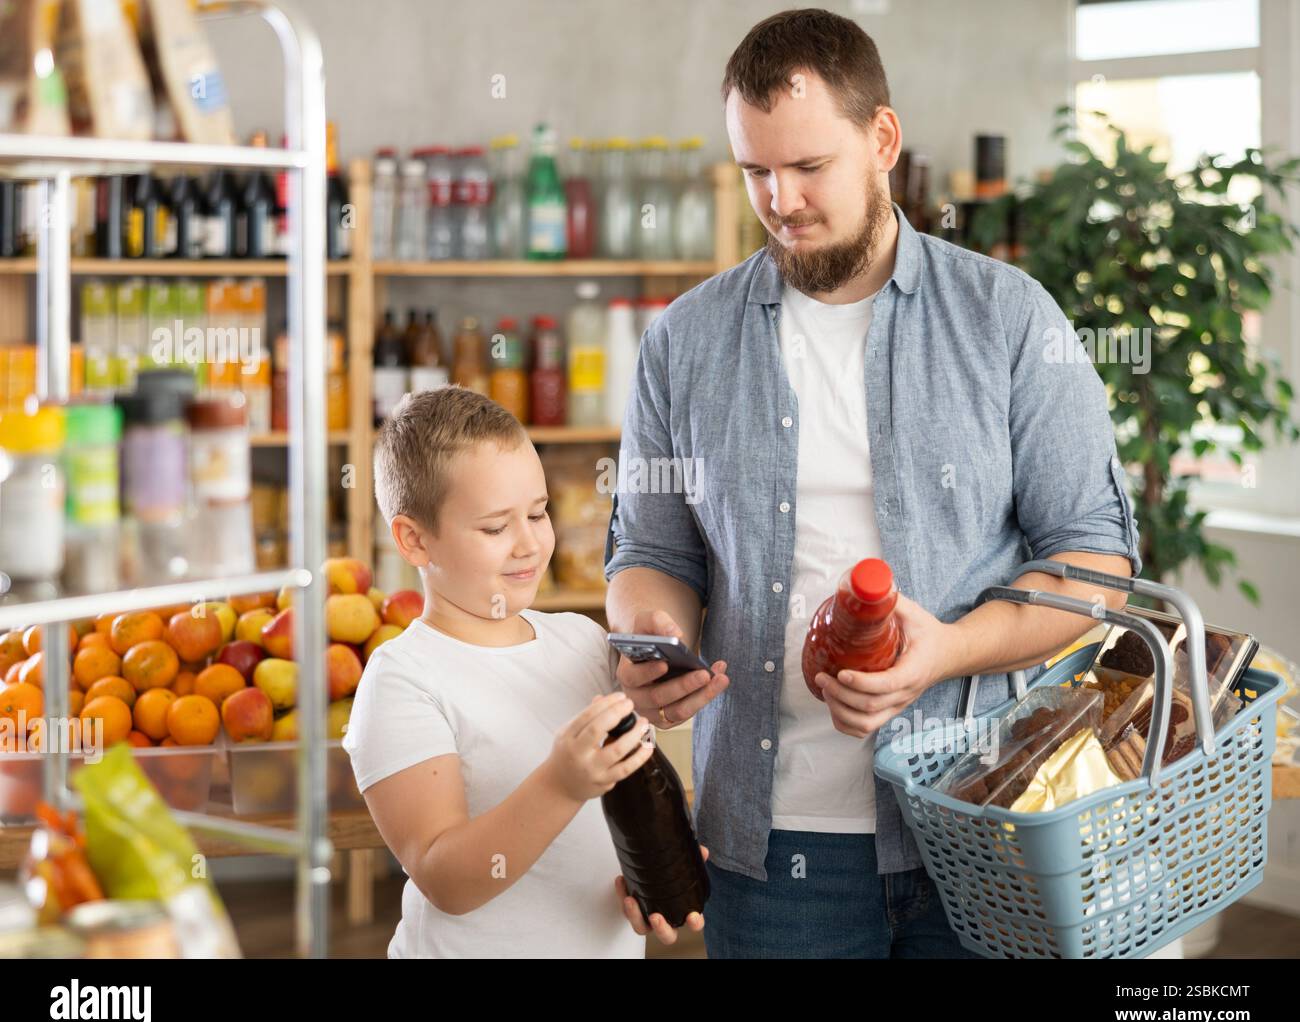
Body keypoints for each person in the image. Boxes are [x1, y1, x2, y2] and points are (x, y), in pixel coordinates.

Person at [604, 8, 1142, 959]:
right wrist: (656, 640)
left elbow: (1095, 561)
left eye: (809, 167)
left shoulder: (1010, 319)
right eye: (756, 170)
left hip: (984, 817)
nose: (782, 199)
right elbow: (650, 550)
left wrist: (946, 650)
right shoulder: (681, 343)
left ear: (882, 140)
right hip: (770, 849)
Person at [343, 386, 704, 957]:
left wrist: (656, 867)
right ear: (414, 539)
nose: (531, 543)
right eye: (494, 528)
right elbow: (446, 880)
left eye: (538, 513)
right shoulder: (403, 680)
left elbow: (624, 806)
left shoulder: (583, 641)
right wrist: (560, 783)